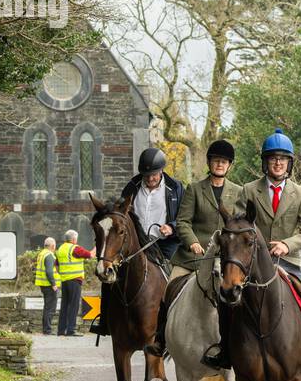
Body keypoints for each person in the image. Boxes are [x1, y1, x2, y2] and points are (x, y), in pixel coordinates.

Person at [200, 128, 301, 370]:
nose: (278, 163)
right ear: (266, 162)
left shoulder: (300, 193)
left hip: (291, 261)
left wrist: (286, 244)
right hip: (253, 264)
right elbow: (236, 224)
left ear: (289, 163)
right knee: (226, 292)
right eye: (273, 158)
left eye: (282, 159)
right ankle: (225, 348)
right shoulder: (249, 190)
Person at [145, 139, 242, 356]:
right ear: (209, 163)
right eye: (216, 160)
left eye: (224, 161)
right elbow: (183, 221)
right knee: (169, 289)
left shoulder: (238, 192)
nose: (219, 164)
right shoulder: (195, 189)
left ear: (229, 165)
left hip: (226, 257)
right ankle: (161, 339)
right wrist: (193, 242)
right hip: (192, 256)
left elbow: (240, 224)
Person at [90, 147, 182, 337]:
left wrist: (171, 226)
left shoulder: (176, 188)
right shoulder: (131, 187)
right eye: (146, 175)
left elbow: (185, 216)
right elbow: (119, 215)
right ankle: (105, 320)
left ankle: (175, 324)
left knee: (175, 280)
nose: (150, 179)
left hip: (163, 243)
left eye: (154, 175)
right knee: (109, 274)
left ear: (162, 170)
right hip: (136, 245)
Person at [56, 229, 95, 336]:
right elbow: (91, 255)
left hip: (64, 280)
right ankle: (71, 330)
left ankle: (60, 330)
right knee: (73, 305)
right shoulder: (75, 248)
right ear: (73, 239)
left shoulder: (60, 249)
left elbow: (57, 264)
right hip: (74, 280)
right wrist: (98, 245)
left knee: (64, 306)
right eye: (76, 239)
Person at [34, 237, 60, 335]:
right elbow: (49, 271)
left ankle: (46, 329)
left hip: (43, 285)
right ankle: (47, 330)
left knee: (47, 307)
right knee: (50, 308)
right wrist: (53, 284)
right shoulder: (49, 255)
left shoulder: (42, 254)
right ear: (53, 246)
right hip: (49, 285)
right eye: (55, 246)